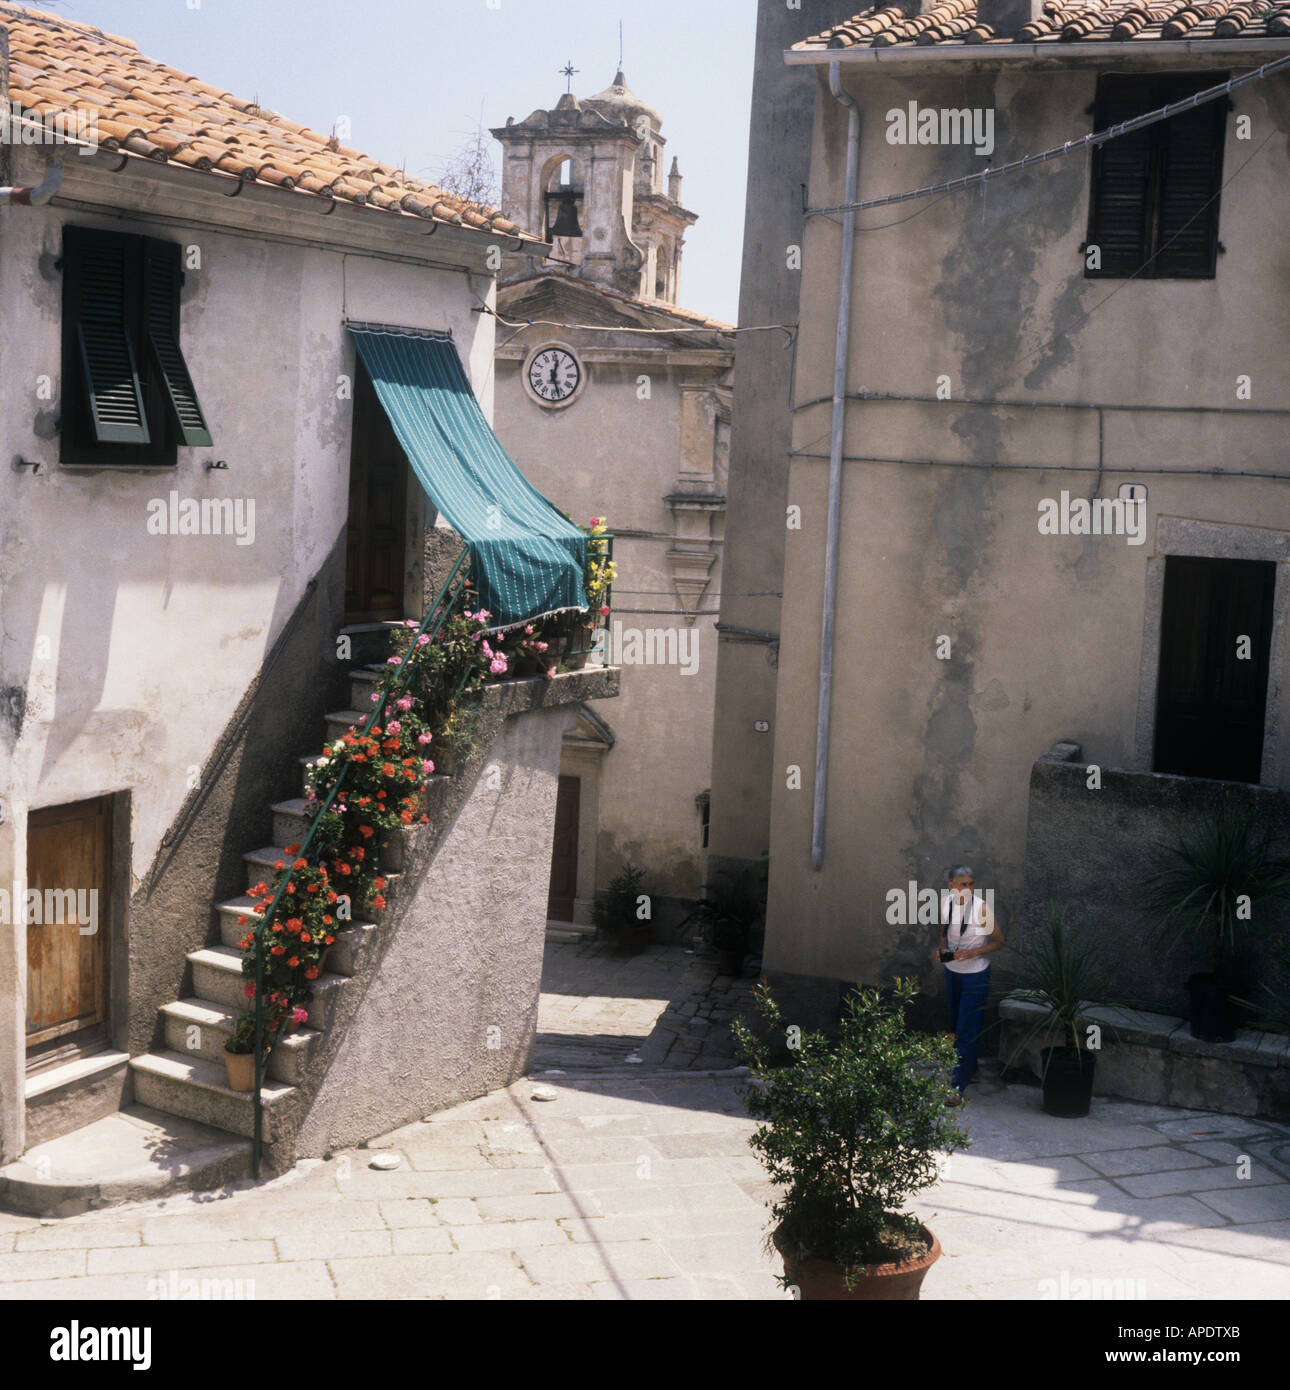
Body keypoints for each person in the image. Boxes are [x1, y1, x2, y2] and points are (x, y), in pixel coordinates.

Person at [936, 865, 1004, 1106]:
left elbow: (999, 941)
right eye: (963, 884)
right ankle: (972, 1070)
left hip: (975, 976)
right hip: (953, 972)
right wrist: (943, 949)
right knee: (956, 1026)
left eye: (971, 884)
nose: (968, 888)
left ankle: (957, 1087)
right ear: (951, 887)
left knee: (965, 1029)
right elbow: (944, 931)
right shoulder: (946, 904)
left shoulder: (981, 908)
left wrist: (974, 951)